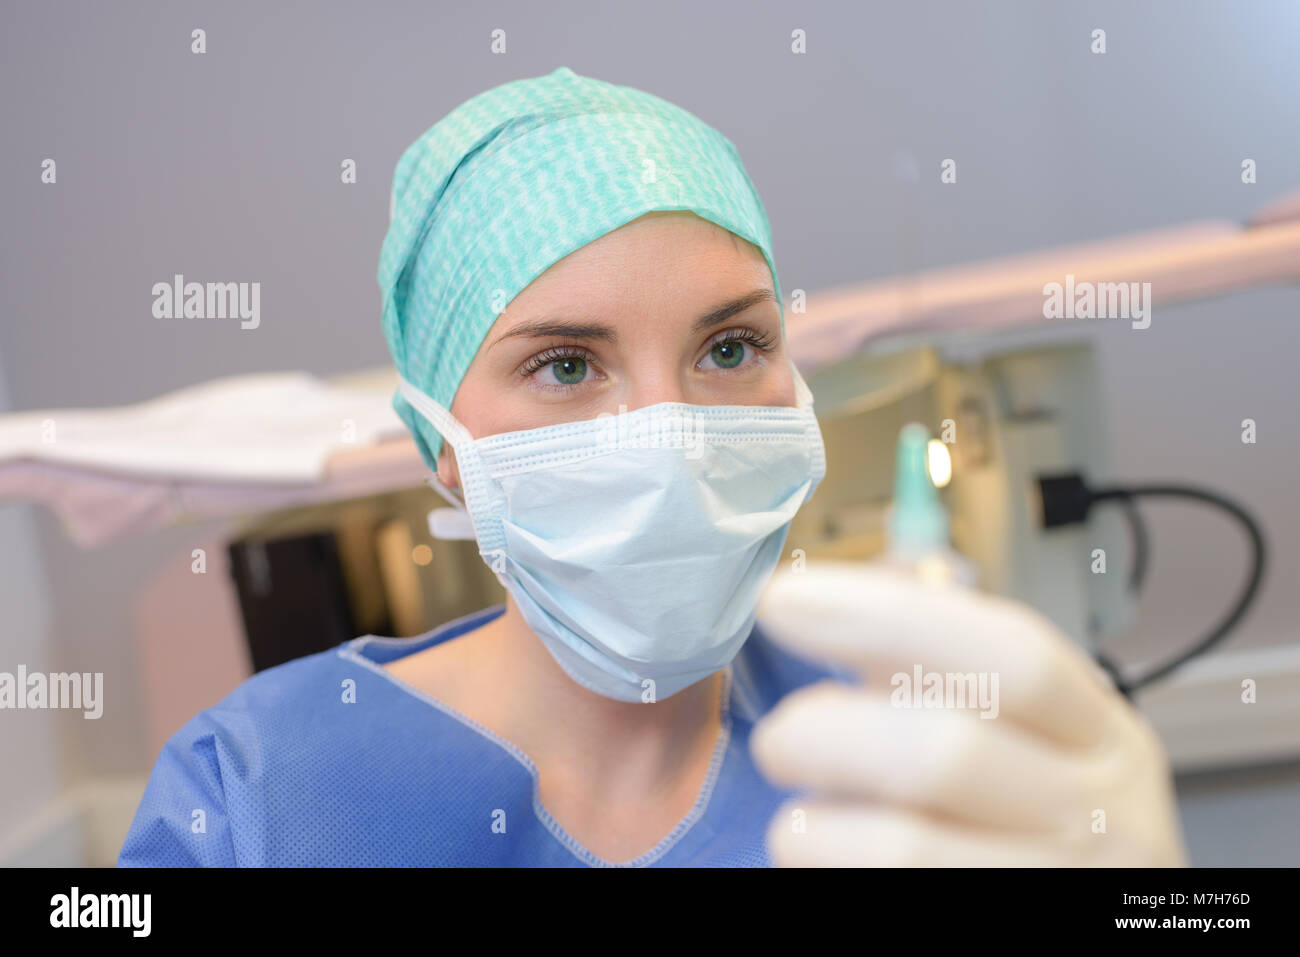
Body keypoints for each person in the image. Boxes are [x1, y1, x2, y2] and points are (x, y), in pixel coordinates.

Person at [118, 66, 1187, 868]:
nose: (670, 433)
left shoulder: (925, 733)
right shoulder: (260, 795)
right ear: (440, 444)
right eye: (567, 364)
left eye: (729, 349)